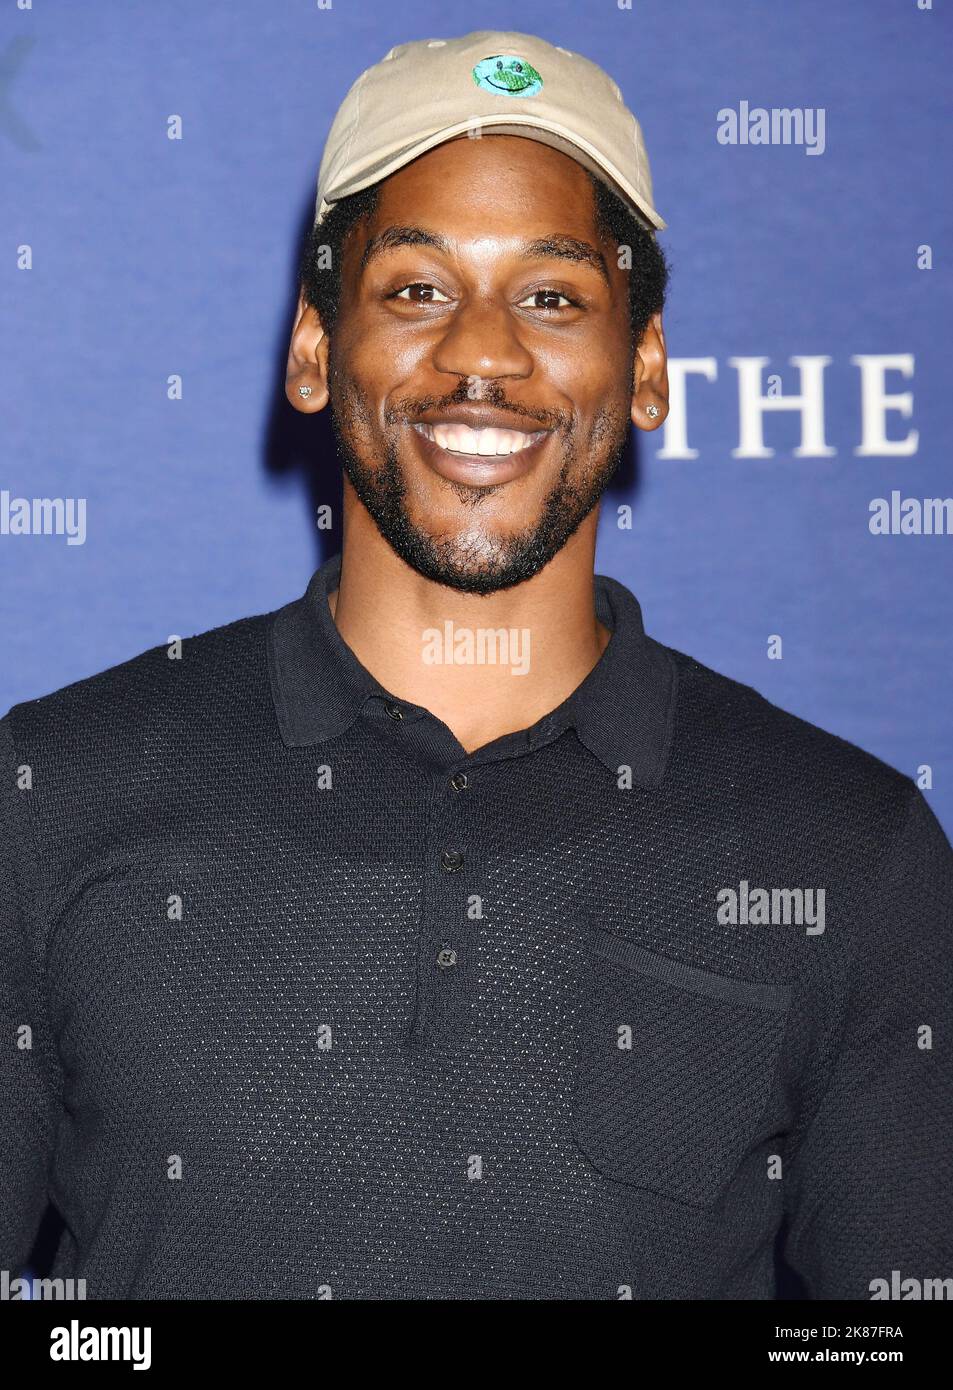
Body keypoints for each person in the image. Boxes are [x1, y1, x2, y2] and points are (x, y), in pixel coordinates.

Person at [2, 30, 950, 1301]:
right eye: (415, 289)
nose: (483, 355)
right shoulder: (45, 798)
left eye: (552, 296)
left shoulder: (847, 847)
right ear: (311, 349)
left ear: (648, 367)